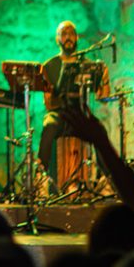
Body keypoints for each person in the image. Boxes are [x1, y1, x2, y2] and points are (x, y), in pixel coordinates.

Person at [37, 20, 110, 185]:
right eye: (64, 34)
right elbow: (48, 104)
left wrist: (104, 77)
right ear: (58, 39)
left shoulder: (87, 64)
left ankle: (105, 178)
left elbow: (102, 97)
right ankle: (40, 177)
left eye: (71, 34)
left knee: (100, 130)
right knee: (49, 125)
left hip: (81, 115)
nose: (68, 37)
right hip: (59, 115)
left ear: (77, 38)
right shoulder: (49, 66)